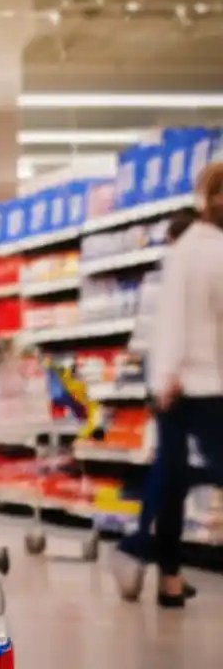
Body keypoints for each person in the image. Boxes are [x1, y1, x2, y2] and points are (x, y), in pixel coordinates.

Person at [113, 165, 223, 607]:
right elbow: (179, 318)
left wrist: (164, 375)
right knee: (189, 473)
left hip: (186, 382)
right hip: (197, 384)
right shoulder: (203, 250)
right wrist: (167, 374)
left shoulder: (194, 248)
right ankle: (142, 549)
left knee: (173, 479)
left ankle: (165, 573)